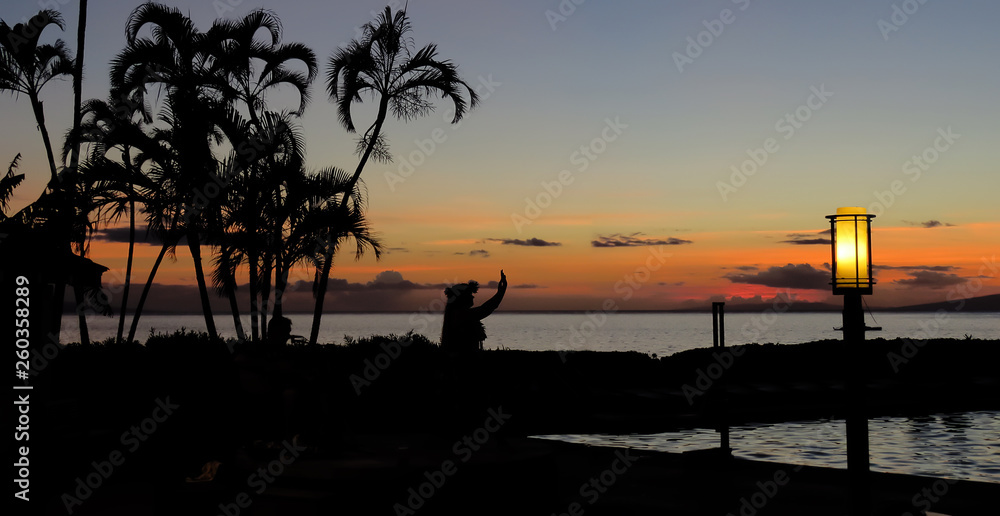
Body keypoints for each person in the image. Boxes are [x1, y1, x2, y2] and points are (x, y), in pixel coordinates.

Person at [441, 270, 507, 353]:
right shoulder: (459, 314)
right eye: (470, 295)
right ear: (461, 297)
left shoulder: (455, 313)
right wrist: (501, 292)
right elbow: (485, 309)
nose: (473, 297)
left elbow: (485, 309)